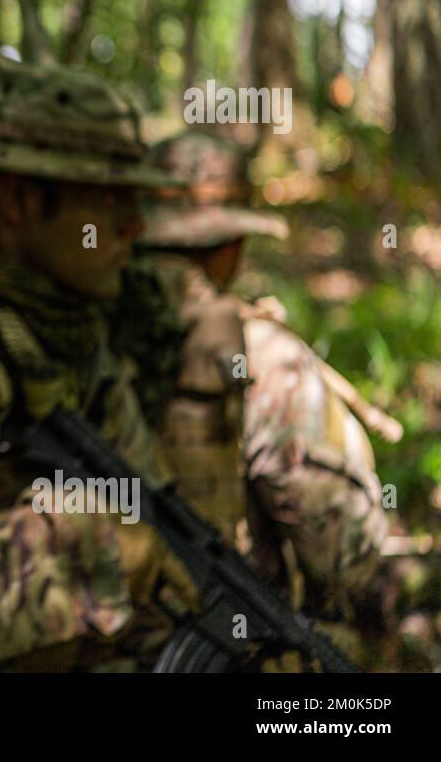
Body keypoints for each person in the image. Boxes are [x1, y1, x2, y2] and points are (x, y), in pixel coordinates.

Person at [0, 55, 192, 671]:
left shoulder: (72, 323)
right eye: (112, 202)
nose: (136, 227)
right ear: (17, 201)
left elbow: (149, 502)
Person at [135, 132, 389, 655]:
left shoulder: (72, 331)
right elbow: (343, 552)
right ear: (231, 244)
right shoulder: (263, 357)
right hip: (218, 643)